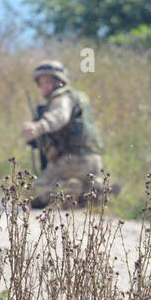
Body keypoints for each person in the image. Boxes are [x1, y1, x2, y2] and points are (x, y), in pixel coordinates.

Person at [20, 60, 111, 208]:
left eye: (48, 82)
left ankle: (67, 188)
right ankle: (92, 189)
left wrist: (39, 127)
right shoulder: (79, 97)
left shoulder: (62, 97)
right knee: (86, 187)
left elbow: (60, 115)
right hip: (94, 161)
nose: (44, 87)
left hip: (70, 160)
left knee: (32, 194)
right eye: (41, 83)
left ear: (59, 82)